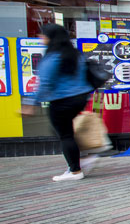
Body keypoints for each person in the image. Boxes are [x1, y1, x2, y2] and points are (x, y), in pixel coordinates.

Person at [19, 24, 98, 181]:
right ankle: (82, 158)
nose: (40, 38)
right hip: (80, 98)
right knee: (65, 132)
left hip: (61, 100)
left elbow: (45, 83)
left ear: (51, 37)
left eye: (42, 35)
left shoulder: (53, 57)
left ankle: (75, 171)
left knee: (64, 134)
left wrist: (31, 104)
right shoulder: (76, 54)